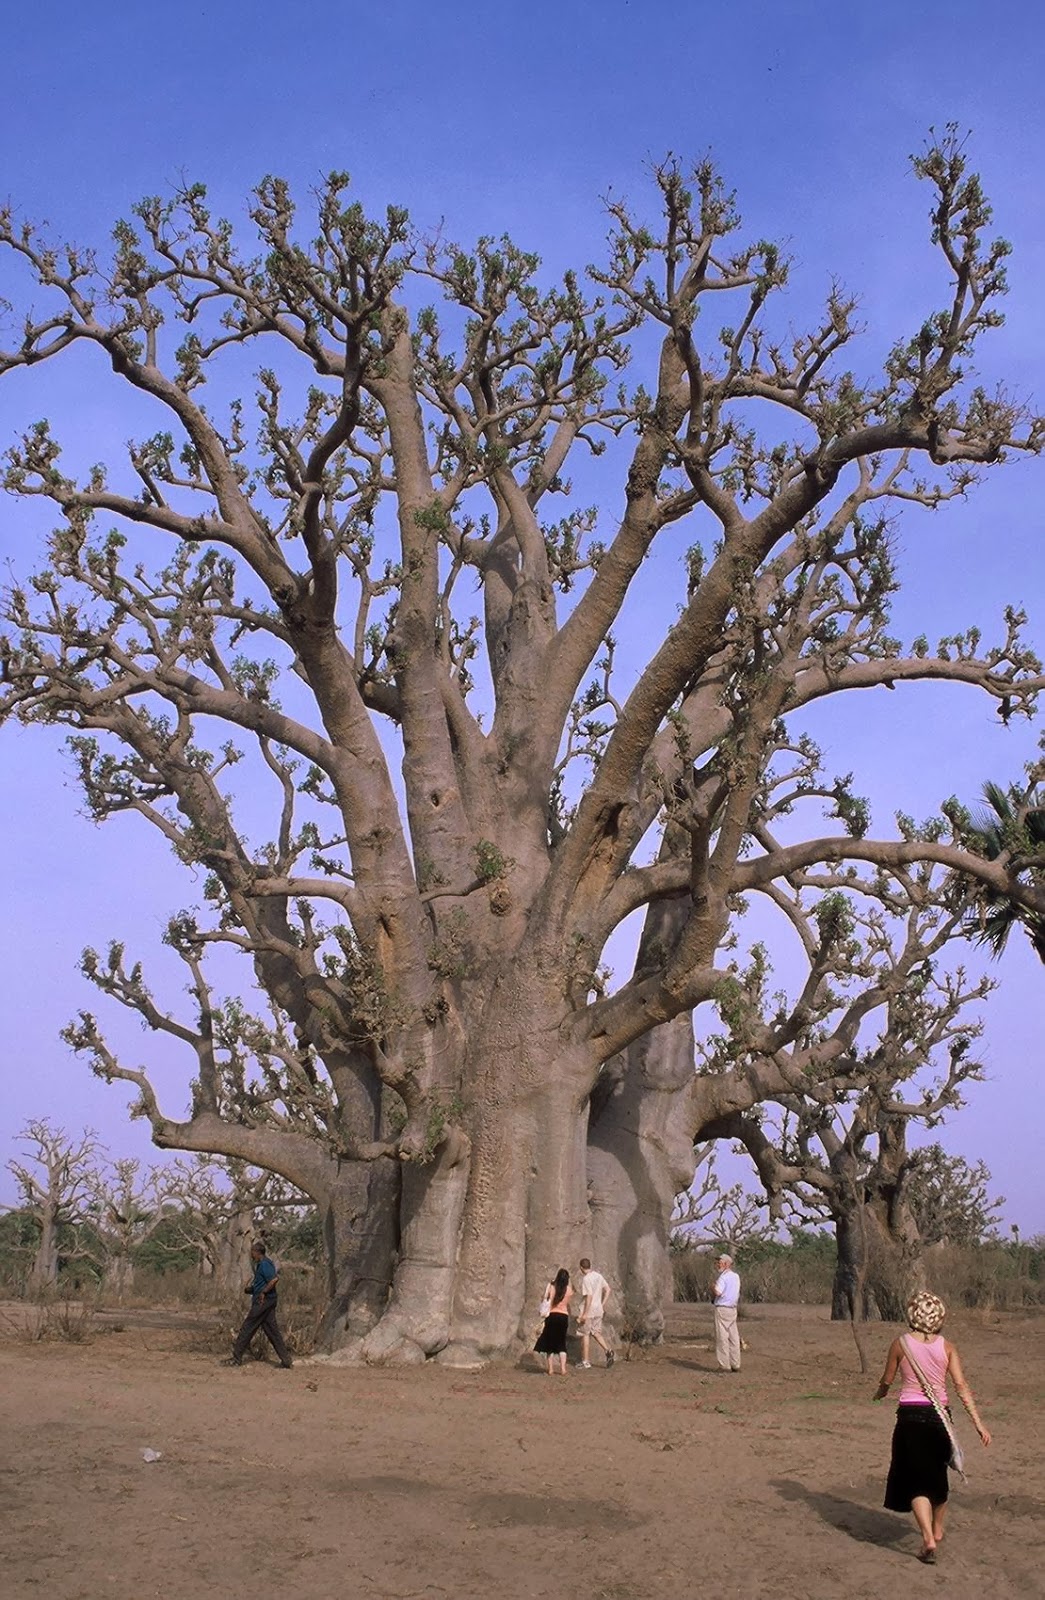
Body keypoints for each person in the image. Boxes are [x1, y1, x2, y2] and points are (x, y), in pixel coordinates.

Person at [874, 1290, 990, 1564]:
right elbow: (961, 1387)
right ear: (939, 1317)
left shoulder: (900, 1344)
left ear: (912, 1314)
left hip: (910, 1420)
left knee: (915, 1482)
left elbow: (887, 1380)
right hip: (940, 1419)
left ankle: (927, 1536)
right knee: (938, 1478)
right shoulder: (947, 1347)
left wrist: (879, 1393)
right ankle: (937, 1529)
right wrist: (978, 1423)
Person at [223, 1239, 293, 1369]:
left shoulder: (265, 1264)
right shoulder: (262, 1264)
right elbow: (263, 1282)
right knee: (272, 1331)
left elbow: (274, 1279)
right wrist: (252, 1289)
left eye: (252, 1252)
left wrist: (263, 1292)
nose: (251, 1255)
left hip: (263, 1301)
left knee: (247, 1327)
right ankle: (286, 1360)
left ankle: (236, 1358)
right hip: (268, 1301)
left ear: (257, 1252)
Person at [576, 1257, 614, 1368]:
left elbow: (589, 1296)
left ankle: (586, 1362)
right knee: (596, 1332)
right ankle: (608, 1350)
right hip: (598, 1309)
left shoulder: (586, 1279)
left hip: (590, 1309)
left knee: (585, 1334)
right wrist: (602, 1304)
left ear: (581, 1268)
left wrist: (585, 1313)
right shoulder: (598, 1276)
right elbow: (608, 1289)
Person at [534, 1267, 573, 1376]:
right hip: (564, 1316)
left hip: (552, 1315)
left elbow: (545, 1298)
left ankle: (550, 1369)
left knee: (550, 1344)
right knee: (561, 1343)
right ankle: (563, 1369)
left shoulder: (552, 1287)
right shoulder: (569, 1290)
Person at [712, 1252, 741, 1371]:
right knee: (734, 1337)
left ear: (726, 1264)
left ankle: (724, 1365)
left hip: (722, 1309)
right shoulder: (736, 1276)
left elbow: (718, 1292)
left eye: (720, 1262)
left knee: (722, 1337)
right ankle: (736, 1363)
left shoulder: (723, 1277)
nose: (718, 1265)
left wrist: (712, 1287)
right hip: (733, 1309)